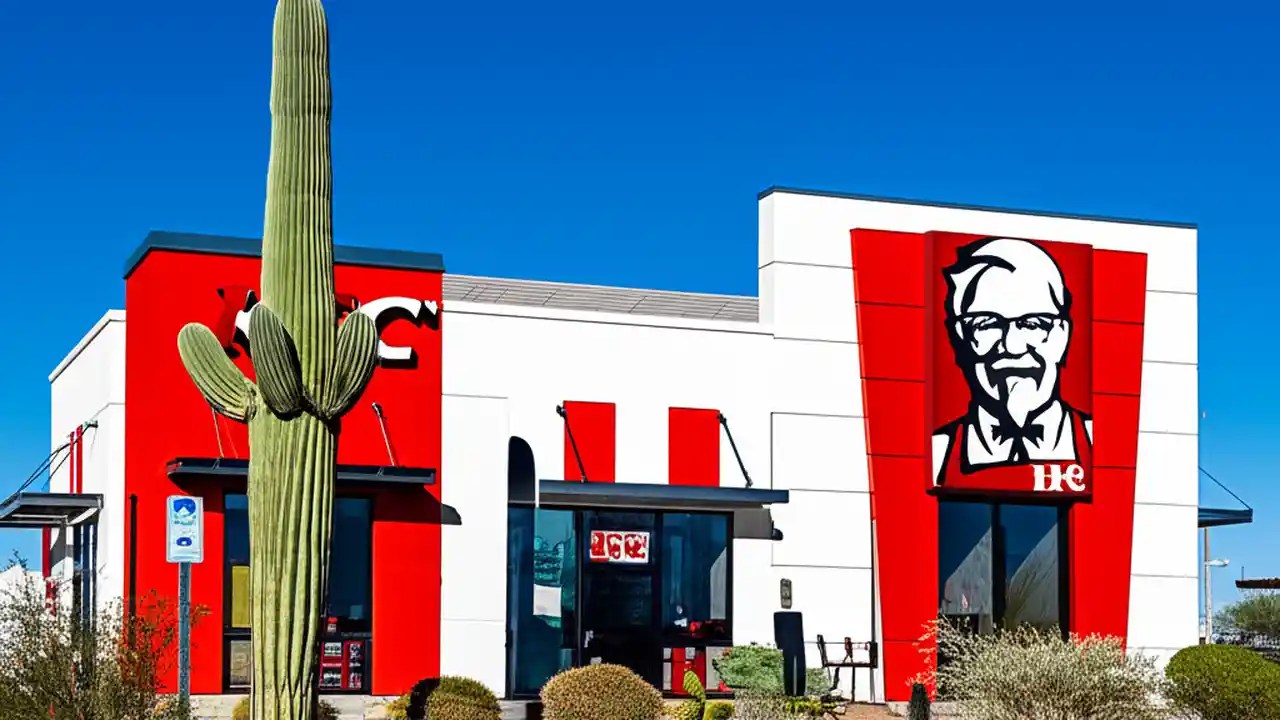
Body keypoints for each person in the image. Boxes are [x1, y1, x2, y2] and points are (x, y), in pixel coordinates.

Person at [932, 237, 1092, 488]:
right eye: (987, 324)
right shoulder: (937, 452)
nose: (1012, 346)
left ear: (1062, 335)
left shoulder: (1098, 443)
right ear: (960, 338)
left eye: (1033, 324)